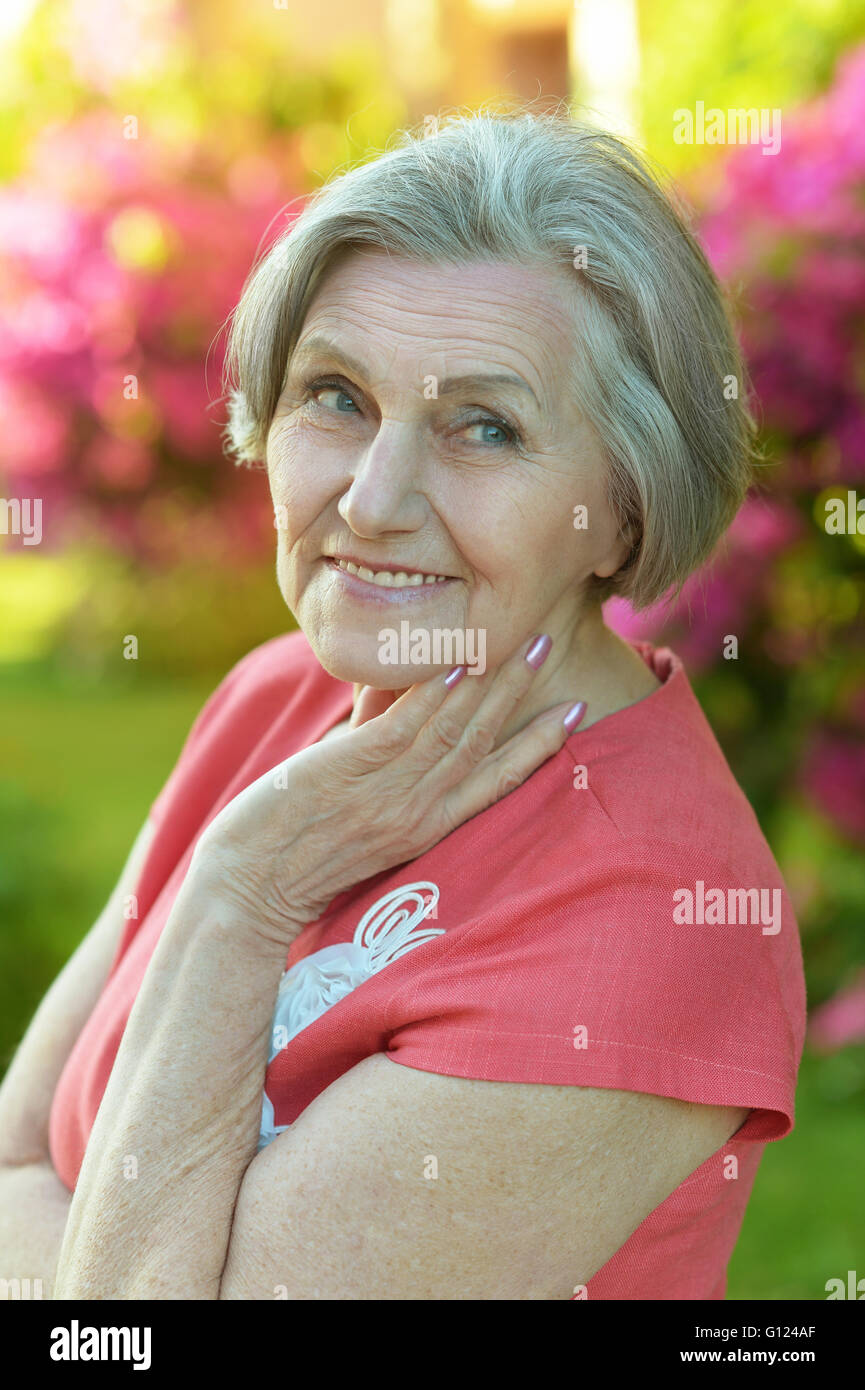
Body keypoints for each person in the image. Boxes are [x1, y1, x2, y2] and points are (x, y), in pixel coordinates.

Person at [1, 109, 805, 1300]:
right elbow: (18, 1152)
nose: (373, 501)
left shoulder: (652, 919)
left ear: (625, 508)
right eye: (334, 395)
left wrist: (243, 894)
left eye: (484, 426)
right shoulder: (281, 695)